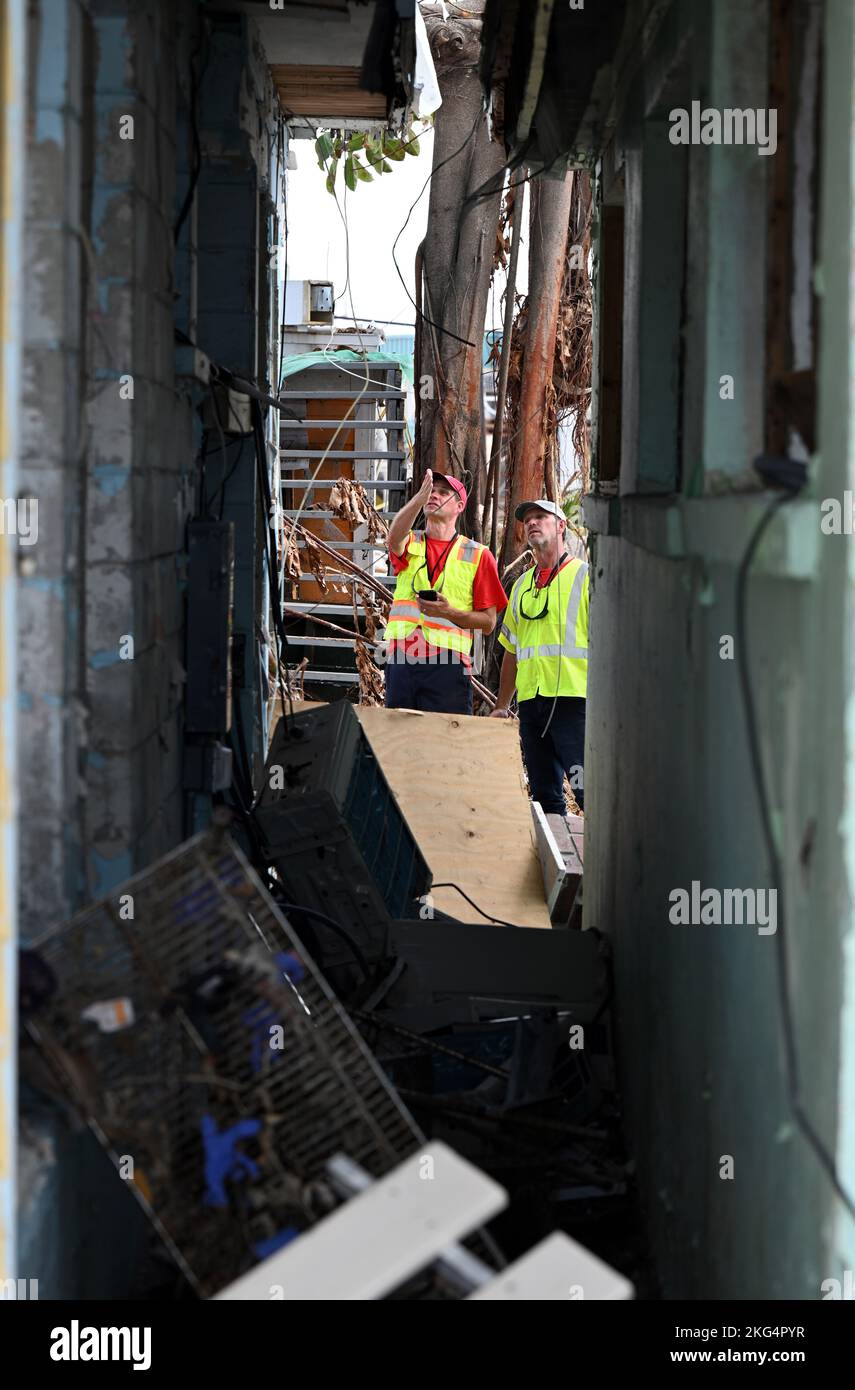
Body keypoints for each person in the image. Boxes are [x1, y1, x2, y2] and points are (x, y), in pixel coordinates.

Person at [382, 468, 508, 714]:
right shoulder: (411, 542)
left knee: (447, 735)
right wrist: (418, 499)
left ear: (459, 506)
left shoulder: (478, 554)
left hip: (448, 665)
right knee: (398, 735)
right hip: (401, 661)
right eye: (431, 491)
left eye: (443, 493)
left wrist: (448, 612)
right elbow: (393, 538)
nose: (434, 495)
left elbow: (488, 623)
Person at [491, 499, 589, 813]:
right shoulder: (521, 585)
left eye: (541, 517)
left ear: (561, 525)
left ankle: (609, 847)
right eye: (528, 519)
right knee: (545, 798)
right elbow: (511, 650)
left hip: (574, 702)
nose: (532, 522)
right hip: (532, 706)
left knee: (589, 792)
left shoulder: (585, 577)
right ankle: (555, 847)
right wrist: (502, 705)